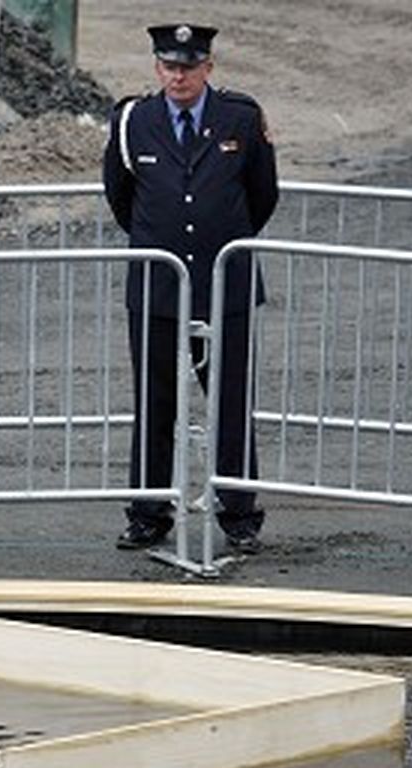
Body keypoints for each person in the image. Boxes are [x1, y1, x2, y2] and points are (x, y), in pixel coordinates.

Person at [103, 23, 278, 554]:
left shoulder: (241, 119)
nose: (179, 75)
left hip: (224, 285)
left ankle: (239, 516)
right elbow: (121, 197)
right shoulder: (135, 120)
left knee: (229, 402)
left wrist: (217, 246)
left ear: (209, 67)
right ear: (157, 68)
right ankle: (149, 513)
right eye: (169, 66)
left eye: (189, 65)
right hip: (158, 287)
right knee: (155, 404)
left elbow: (261, 198)